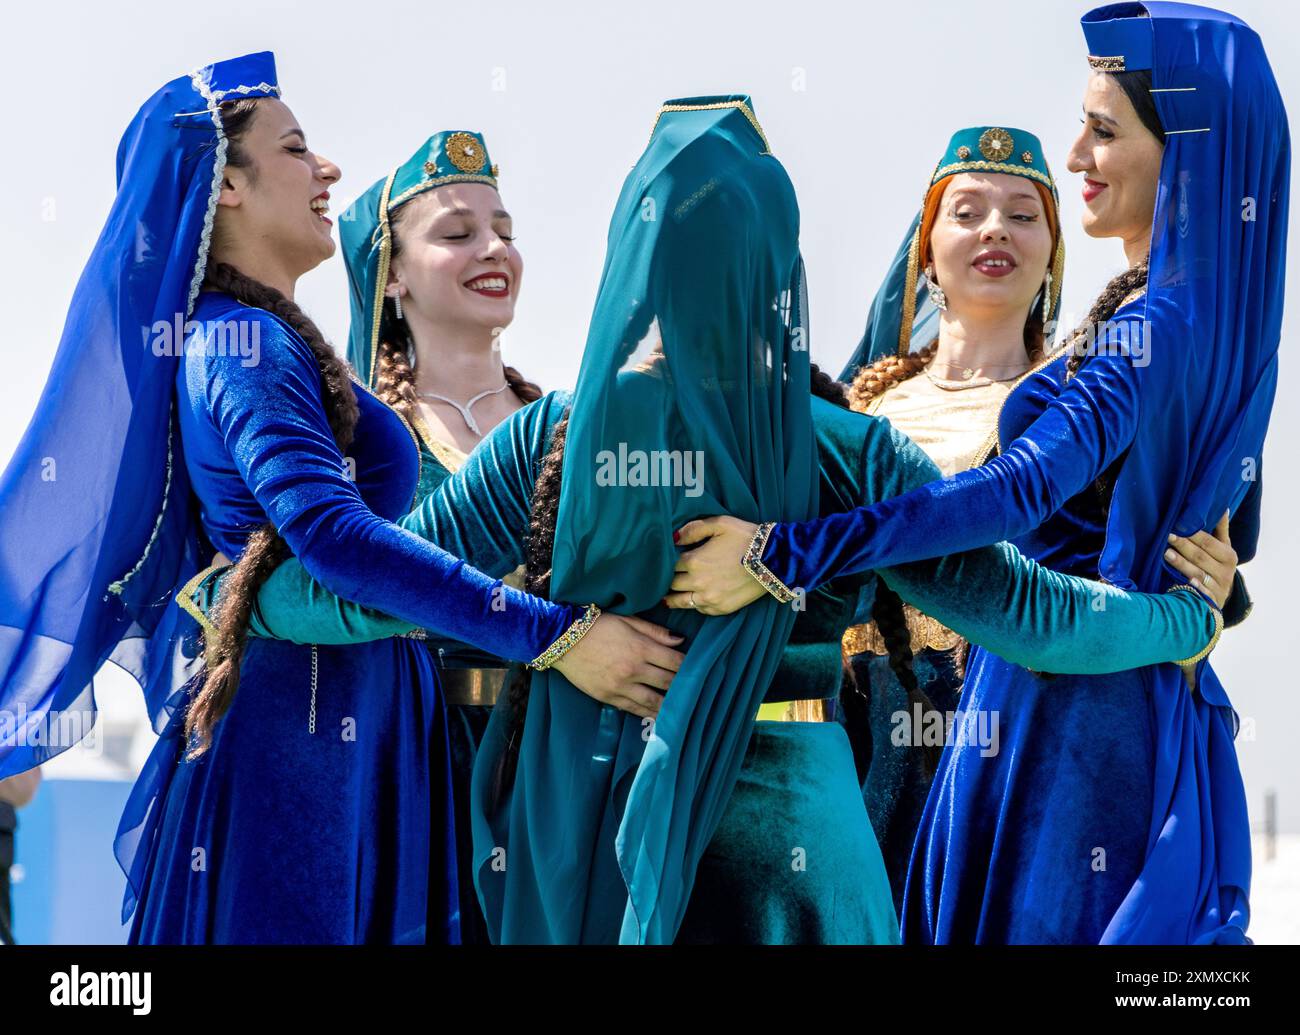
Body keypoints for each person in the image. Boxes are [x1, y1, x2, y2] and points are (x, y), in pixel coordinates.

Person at [195, 95, 1221, 945]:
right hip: (806, 867)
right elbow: (1037, 620)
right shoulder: (849, 449)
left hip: (596, 837)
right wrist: (1183, 618)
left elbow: (373, 591)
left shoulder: (546, 439)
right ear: (781, 264)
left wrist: (240, 599)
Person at [0, 52, 681, 945]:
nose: (328, 171)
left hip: (336, 729)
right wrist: (559, 635)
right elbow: (335, 538)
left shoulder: (257, 334)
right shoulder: (243, 342)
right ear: (227, 185)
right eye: (296, 150)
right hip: (303, 742)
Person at [672, 2, 1288, 944]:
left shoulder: (1148, 331)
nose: (1077, 153)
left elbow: (1012, 496)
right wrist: (1194, 597)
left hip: (1062, 722)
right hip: (1095, 707)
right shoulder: (1218, 325)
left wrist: (777, 552)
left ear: (1184, 155)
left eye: (1104, 130)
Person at [831, 125, 1240, 912]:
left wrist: (1213, 592)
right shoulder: (860, 407)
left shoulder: (1079, 403)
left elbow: (1165, 549)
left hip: (1018, 724)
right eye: (968, 211)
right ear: (926, 248)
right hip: (866, 731)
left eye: (1024, 215)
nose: (995, 230)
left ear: (1054, 251)